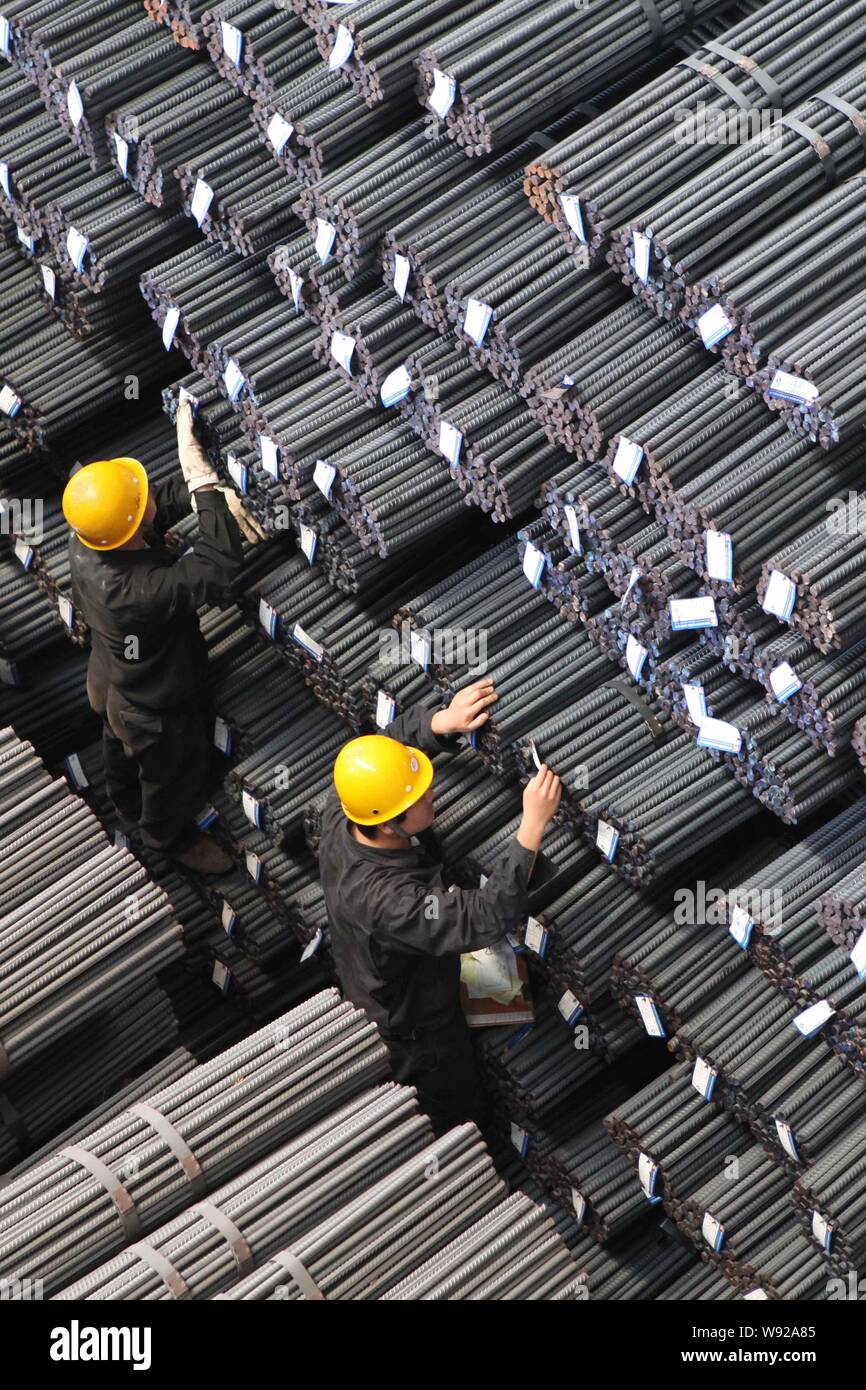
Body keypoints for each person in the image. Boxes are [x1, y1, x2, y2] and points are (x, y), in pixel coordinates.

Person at [319, 677, 562, 1134]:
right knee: (457, 1103)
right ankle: (476, 1153)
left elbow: (386, 749)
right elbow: (487, 915)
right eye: (419, 798)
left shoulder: (349, 808)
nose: (432, 793)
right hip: (416, 1025)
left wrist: (439, 722)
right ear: (390, 825)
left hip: (390, 963)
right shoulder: (386, 902)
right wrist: (532, 825)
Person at [64, 399, 265, 874]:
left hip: (112, 678)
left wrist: (203, 495)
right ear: (129, 527)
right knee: (169, 774)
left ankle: (123, 803)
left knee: (116, 741)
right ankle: (164, 836)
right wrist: (203, 484)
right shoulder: (139, 592)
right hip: (151, 705)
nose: (149, 493)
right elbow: (216, 566)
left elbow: (149, 509)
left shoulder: (90, 534)